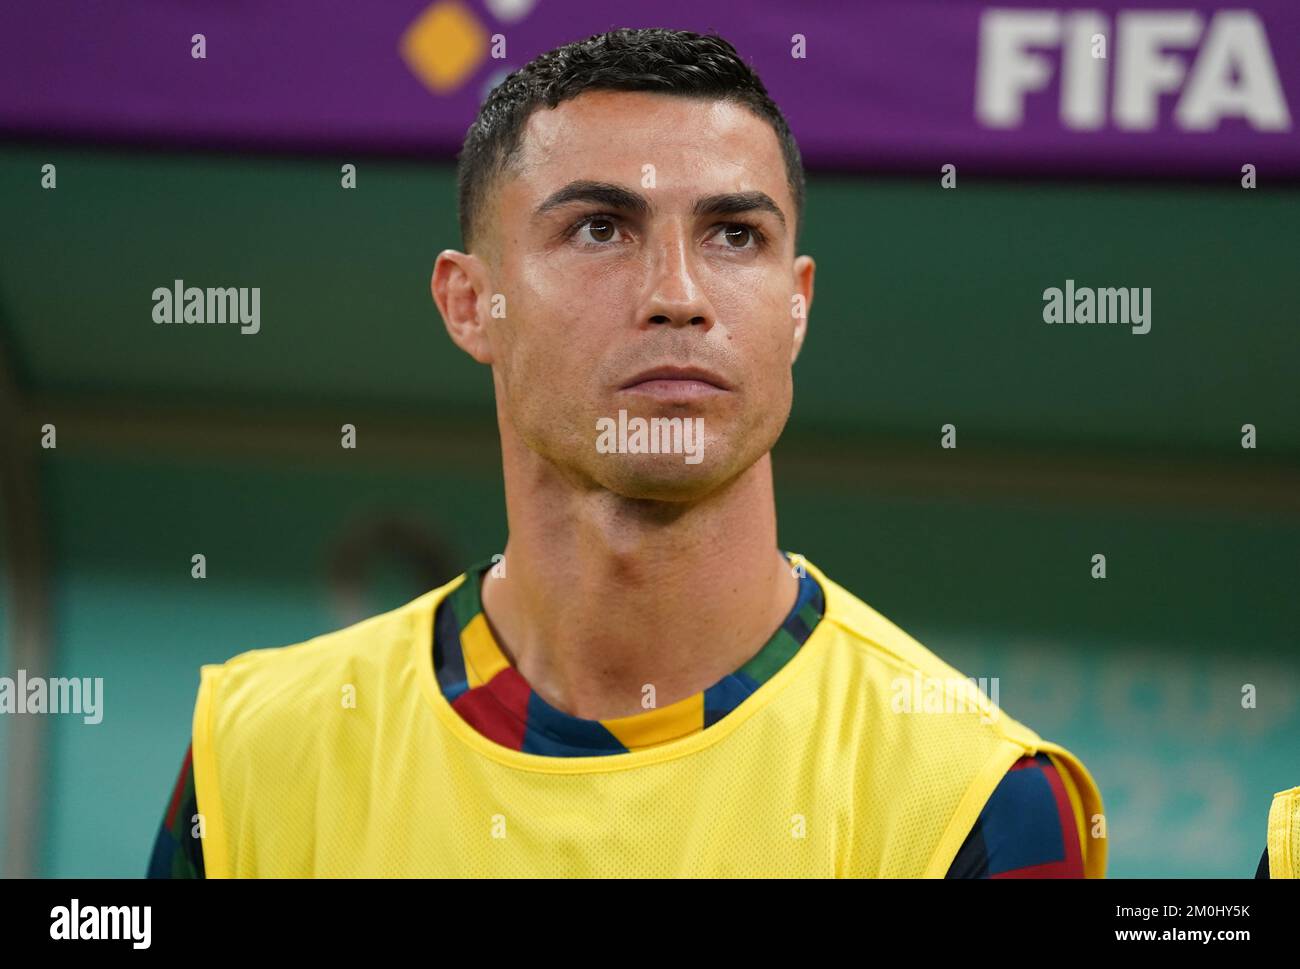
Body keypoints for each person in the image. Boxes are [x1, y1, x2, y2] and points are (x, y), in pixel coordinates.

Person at [149, 27, 1104, 878]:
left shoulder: (981, 799)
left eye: (736, 234)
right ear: (469, 303)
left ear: (798, 303)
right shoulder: (254, 754)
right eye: (599, 228)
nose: (678, 293)